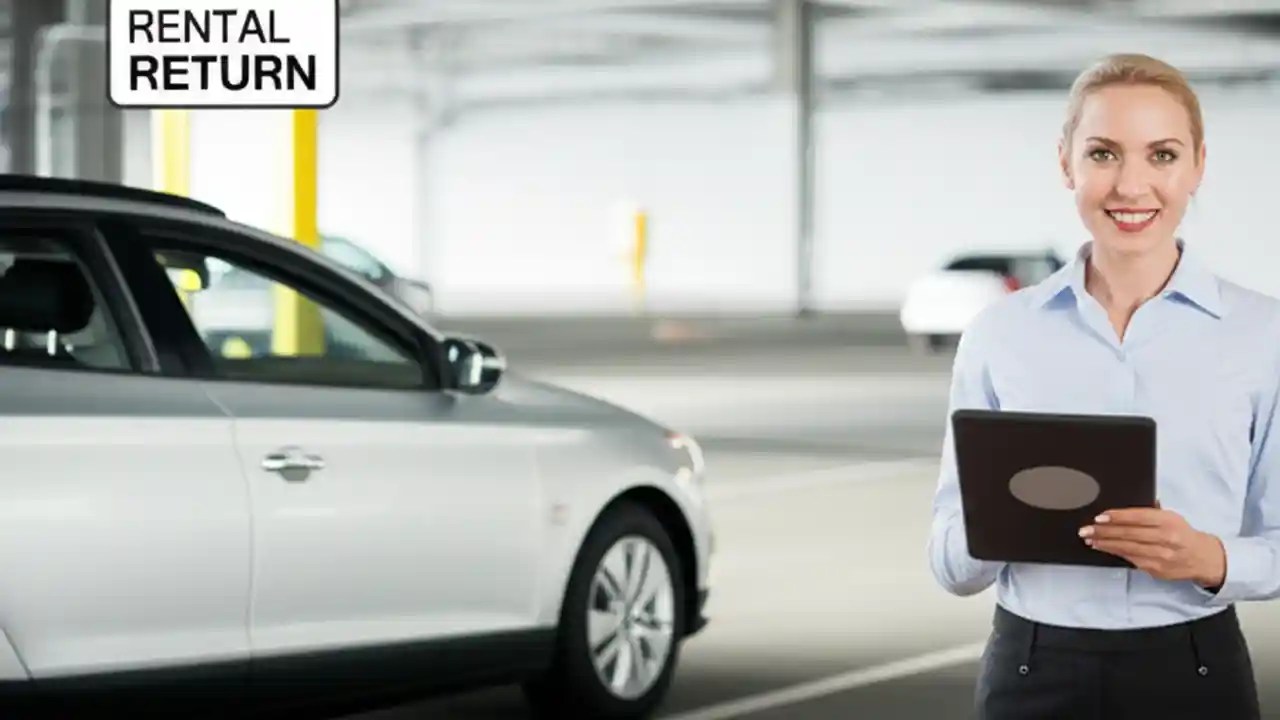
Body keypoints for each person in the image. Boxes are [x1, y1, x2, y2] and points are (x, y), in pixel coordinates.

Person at [928, 52, 1277, 719]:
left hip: (1194, 669)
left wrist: (1208, 557)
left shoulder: (1264, 336)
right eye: (1103, 154)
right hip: (1032, 668)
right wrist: (1000, 524)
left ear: (1198, 165)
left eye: (1162, 155)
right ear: (1067, 163)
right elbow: (948, 562)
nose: (1132, 185)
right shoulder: (1000, 334)